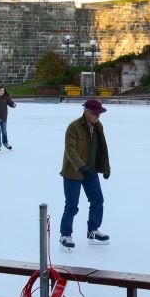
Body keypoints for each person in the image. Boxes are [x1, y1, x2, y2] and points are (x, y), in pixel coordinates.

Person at [59, 99, 112, 251]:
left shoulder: (98, 126)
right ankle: (65, 235)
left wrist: (106, 168)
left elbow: (102, 149)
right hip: (73, 172)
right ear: (86, 111)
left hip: (91, 171)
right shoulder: (73, 127)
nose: (98, 116)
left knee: (97, 200)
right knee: (71, 206)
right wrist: (81, 167)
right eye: (95, 113)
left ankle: (92, 231)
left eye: (99, 113)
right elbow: (70, 150)